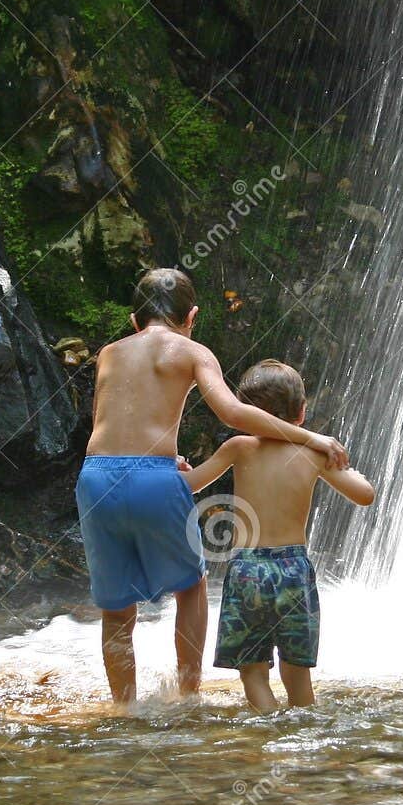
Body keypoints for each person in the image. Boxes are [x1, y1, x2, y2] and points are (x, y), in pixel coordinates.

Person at [76, 269, 348, 705]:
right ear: (192, 316)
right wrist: (309, 437)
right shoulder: (192, 351)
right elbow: (233, 413)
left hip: (95, 476)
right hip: (154, 479)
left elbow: (107, 423)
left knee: (116, 605)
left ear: (134, 320)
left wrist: (166, 455)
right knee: (191, 584)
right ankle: (187, 696)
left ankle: (124, 708)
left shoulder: (109, 353)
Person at [180, 359, 375, 711]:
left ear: (248, 414)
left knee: (252, 671)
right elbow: (365, 495)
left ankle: (270, 731)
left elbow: (189, 486)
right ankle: (302, 733)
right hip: (294, 570)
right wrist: (343, 463)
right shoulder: (314, 453)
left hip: (248, 571)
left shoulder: (239, 447)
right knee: (297, 674)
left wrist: (176, 469)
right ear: (301, 413)